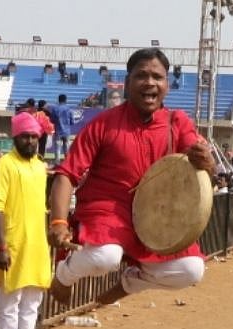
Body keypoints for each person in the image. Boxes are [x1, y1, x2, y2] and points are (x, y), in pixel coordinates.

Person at [48, 48, 215, 307]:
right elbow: (66, 174)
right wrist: (58, 221)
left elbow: (202, 168)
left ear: (166, 86)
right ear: (127, 83)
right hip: (106, 210)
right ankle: (63, 276)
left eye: (157, 77)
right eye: (142, 76)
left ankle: (130, 283)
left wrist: (207, 162)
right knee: (107, 257)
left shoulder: (177, 122)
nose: (150, 82)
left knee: (192, 270)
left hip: (154, 218)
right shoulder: (103, 123)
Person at [0, 113, 52, 329]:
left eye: (34, 136)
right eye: (25, 136)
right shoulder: (4, 164)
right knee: (10, 303)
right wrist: (2, 246)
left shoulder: (40, 166)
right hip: (13, 244)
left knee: (32, 302)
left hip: (37, 245)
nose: (30, 141)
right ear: (15, 137)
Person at [48, 94, 74, 161]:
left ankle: (57, 164)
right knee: (67, 149)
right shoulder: (69, 109)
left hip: (58, 131)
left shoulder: (55, 109)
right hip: (67, 132)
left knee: (57, 149)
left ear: (58, 100)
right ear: (66, 100)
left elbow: (52, 120)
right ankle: (67, 164)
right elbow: (72, 122)